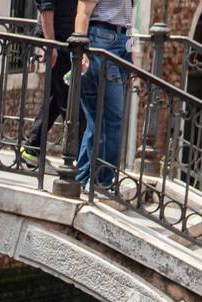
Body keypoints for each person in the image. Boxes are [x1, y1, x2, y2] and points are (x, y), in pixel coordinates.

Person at [73, 0, 134, 187]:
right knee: (111, 119)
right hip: (101, 41)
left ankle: (84, 178)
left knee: (96, 121)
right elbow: (83, 11)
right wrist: (80, 51)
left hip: (121, 42)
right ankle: (102, 181)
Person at [20, 0, 83, 169]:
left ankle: (31, 149)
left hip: (68, 43)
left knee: (56, 97)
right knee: (69, 102)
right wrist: (51, 45)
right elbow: (46, 7)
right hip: (61, 44)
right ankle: (76, 163)